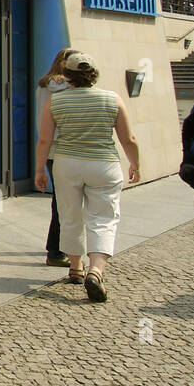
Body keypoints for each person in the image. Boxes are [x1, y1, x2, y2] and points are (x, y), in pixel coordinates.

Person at [35, 52, 140, 303]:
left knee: (70, 214)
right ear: (93, 74)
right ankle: (96, 270)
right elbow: (129, 139)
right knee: (103, 217)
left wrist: (40, 170)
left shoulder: (56, 101)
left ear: (67, 76)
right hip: (103, 163)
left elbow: (45, 139)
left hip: (67, 162)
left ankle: (75, 267)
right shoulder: (111, 99)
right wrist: (135, 164)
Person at [35, 48, 74, 271]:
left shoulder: (43, 85)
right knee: (66, 202)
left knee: (59, 200)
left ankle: (58, 247)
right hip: (69, 147)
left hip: (50, 147)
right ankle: (56, 250)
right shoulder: (71, 88)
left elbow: (42, 123)